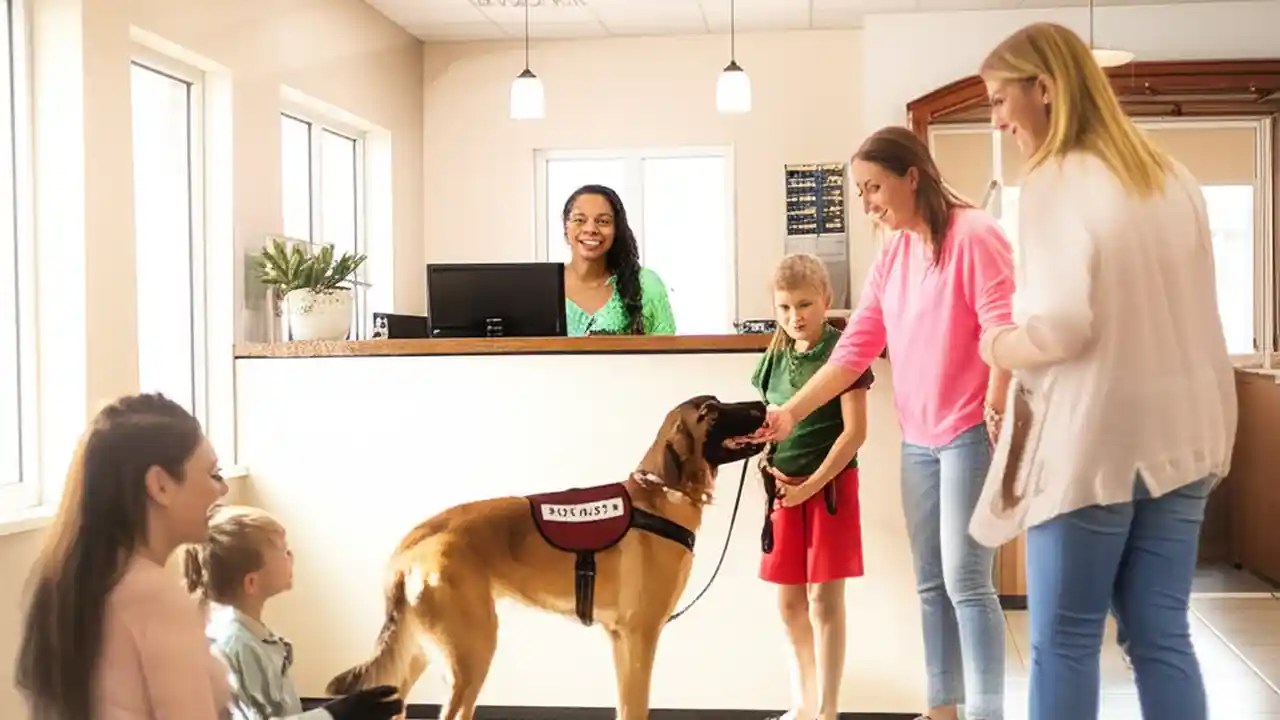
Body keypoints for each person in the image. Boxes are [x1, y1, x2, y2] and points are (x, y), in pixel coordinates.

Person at [970, 22, 1237, 720]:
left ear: (1047, 89)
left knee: (1064, 639)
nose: (997, 117)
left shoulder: (1057, 179)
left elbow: (1060, 328)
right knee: (1161, 634)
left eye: (1001, 98)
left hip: (1093, 444)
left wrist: (995, 344)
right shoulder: (1171, 176)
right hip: (1185, 438)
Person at [753, 127, 1015, 720]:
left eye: (873, 187)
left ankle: (988, 715)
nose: (867, 202)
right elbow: (854, 350)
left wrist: (997, 403)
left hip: (970, 429)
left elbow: (1001, 328)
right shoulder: (894, 254)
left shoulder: (977, 236)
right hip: (920, 439)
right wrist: (791, 412)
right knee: (930, 583)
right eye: (861, 190)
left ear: (912, 176)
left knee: (967, 580)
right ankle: (943, 707)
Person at [13, 392, 403, 720]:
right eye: (213, 474)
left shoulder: (64, 582)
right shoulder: (154, 598)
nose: (222, 491)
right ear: (161, 485)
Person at [751, 254, 873, 720]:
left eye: (803, 305)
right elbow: (769, 422)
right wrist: (768, 464)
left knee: (825, 600)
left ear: (826, 300)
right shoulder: (774, 355)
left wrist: (814, 486)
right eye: (783, 307)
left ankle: (829, 710)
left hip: (832, 489)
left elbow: (855, 434)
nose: (793, 317)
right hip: (783, 492)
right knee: (788, 601)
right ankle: (802, 704)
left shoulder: (843, 354)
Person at [184, 504, 316, 720]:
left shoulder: (251, 634)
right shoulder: (237, 644)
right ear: (252, 582)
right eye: (283, 550)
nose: (290, 555)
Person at [560, 184, 677, 336]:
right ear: (565, 226)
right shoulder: (543, 286)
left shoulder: (645, 283)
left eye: (603, 221)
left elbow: (667, 353)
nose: (590, 229)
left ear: (617, 229)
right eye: (579, 220)